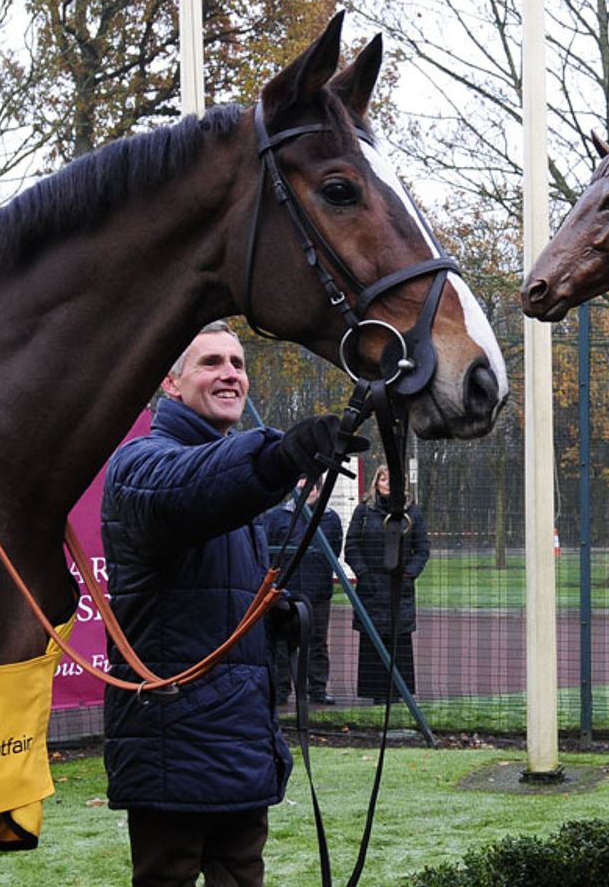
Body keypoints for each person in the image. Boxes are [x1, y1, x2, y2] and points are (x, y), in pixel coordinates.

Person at [99, 321, 364, 887]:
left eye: (238, 363)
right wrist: (279, 457)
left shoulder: (230, 478)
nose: (230, 374)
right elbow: (186, 491)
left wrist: (275, 614)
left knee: (243, 876)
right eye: (211, 362)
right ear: (170, 383)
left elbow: (209, 585)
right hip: (173, 740)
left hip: (239, 737)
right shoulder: (141, 463)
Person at [344, 463, 430, 701]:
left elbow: (422, 549)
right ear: (376, 482)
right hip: (371, 586)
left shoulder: (412, 512)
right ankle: (375, 693)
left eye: (393, 480)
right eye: (384, 479)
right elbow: (351, 544)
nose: (388, 485)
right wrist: (363, 573)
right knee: (372, 639)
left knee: (398, 639)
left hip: (399, 587)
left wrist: (409, 574)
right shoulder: (364, 511)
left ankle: (399, 691)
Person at [263, 475, 344, 706]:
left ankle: (317, 688)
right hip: (285, 589)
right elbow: (268, 551)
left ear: (318, 490)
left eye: (309, 489)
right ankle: (280, 689)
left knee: (317, 641)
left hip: (318, 590)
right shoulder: (277, 517)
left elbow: (334, 550)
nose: (306, 493)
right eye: (300, 489)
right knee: (281, 641)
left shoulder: (330, 519)